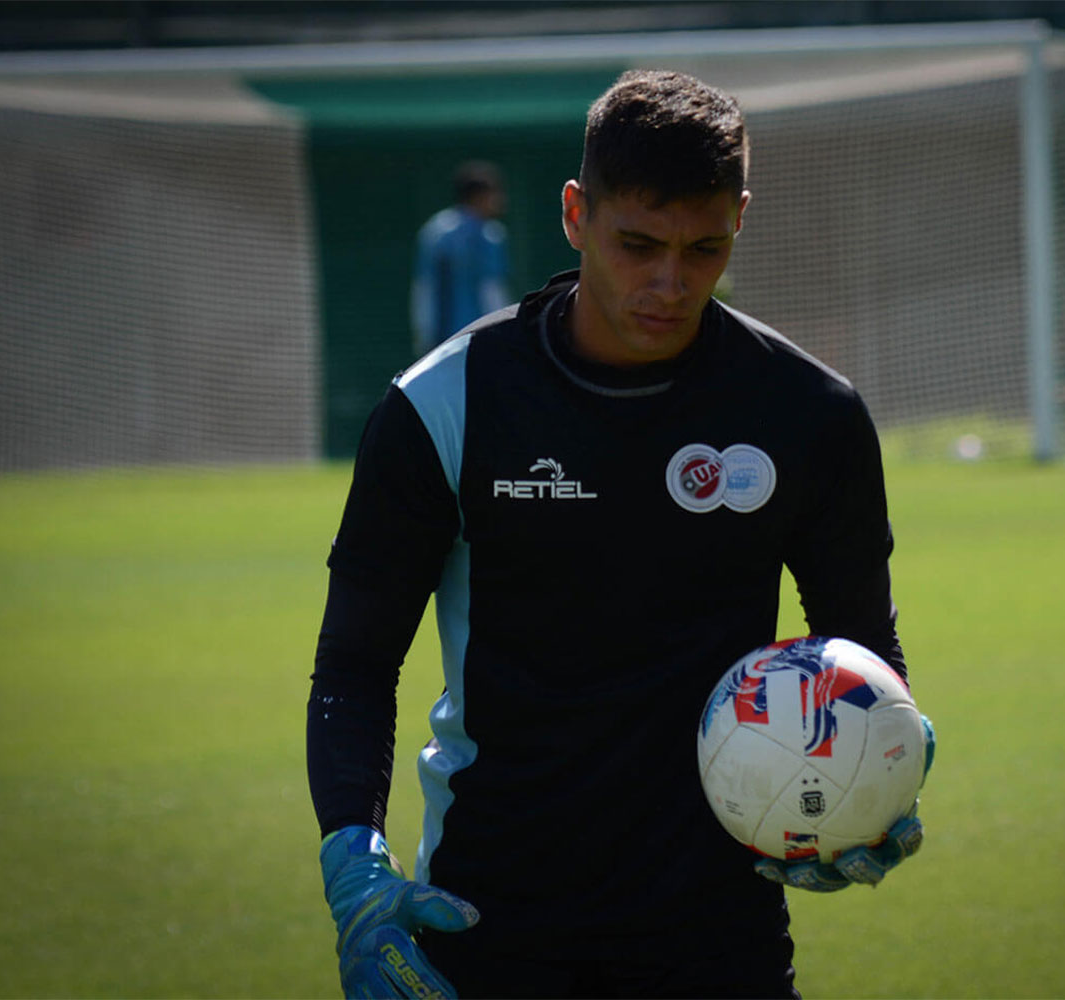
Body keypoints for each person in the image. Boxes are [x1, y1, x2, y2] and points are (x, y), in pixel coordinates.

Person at [309, 69, 934, 1000]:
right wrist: (354, 861)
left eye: (704, 248)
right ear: (575, 213)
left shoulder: (810, 414)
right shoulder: (444, 403)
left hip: (720, 932)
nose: (669, 283)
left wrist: (889, 762)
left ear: (740, 220)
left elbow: (862, 649)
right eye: (637, 244)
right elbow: (356, 664)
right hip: (487, 919)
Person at [410, 160, 511, 357]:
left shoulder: (436, 230)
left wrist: (423, 332)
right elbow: (492, 290)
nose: (500, 200)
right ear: (479, 196)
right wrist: (505, 330)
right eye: (495, 194)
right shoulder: (489, 235)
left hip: (444, 342)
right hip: (477, 338)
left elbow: (423, 288)